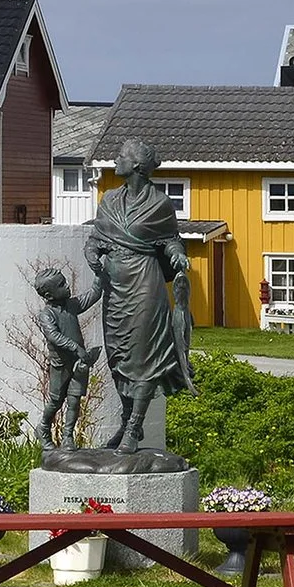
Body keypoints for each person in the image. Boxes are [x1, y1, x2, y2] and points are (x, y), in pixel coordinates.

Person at [85, 138, 193, 449]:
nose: (115, 161)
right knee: (117, 355)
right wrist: (92, 252)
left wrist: (177, 255)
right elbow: (97, 237)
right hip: (115, 287)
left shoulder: (159, 204)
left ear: (136, 165)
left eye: (120, 157)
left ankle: (134, 427)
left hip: (145, 283)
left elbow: (170, 240)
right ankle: (126, 421)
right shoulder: (109, 201)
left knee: (143, 356)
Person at [30, 266, 101, 449]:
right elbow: (54, 336)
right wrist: (76, 347)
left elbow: (92, 295)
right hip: (61, 364)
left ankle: (68, 436)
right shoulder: (47, 314)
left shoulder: (71, 306)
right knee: (56, 400)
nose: (68, 286)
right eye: (62, 284)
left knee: (74, 399)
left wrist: (100, 274)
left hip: (79, 362)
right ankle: (43, 427)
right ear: (49, 294)